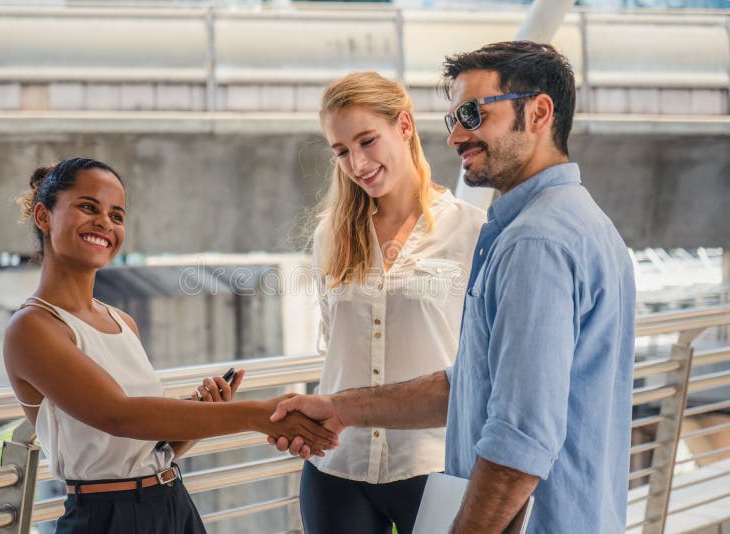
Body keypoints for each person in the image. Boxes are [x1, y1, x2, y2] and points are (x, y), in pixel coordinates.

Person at [271, 41, 636, 533]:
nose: (456, 135)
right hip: (349, 469)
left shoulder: (534, 243)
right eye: (453, 119)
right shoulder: (576, 225)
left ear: (539, 112)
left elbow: (519, 439)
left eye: (473, 113)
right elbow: (471, 382)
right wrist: (339, 407)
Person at [3, 157, 337, 534]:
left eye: (117, 215)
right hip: (104, 518)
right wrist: (257, 414)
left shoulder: (121, 322)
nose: (105, 223)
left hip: (171, 502)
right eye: (88, 207)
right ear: (44, 217)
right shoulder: (32, 328)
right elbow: (119, 416)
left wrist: (197, 418)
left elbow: (143, 449)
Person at [300, 72, 485, 534]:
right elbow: (333, 345)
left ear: (403, 126)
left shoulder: (472, 230)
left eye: (367, 141)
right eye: (341, 151)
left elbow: (481, 356)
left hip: (433, 464)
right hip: (336, 466)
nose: (357, 162)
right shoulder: (330, 235)